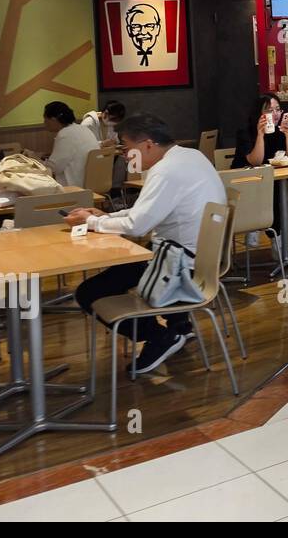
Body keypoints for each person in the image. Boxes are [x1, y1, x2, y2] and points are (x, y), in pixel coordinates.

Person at [68, 113, 226, 374]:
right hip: (199, 256)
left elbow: (138, 225)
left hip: (178, 263)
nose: (125, 156)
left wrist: (93, 223)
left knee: (87, 292)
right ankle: (180, 327)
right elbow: (146, 212)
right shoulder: (189, 156)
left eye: (127, 149)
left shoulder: (166, 171)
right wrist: (105, 216)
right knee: (136, 259)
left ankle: (160, 337)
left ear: (148, 145)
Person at [232, 92, 288, 169]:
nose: (276, 114)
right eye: (270, 111)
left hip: (273, 177)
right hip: (245, 177)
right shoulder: (245, 133)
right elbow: (255, 162)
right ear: (259, 113)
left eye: (278, 109)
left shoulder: (280, 131)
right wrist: (260, 135)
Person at [42, 101, 99, 188]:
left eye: (45, 119)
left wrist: (35, 159)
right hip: (93, 180)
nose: (44, 123)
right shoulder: (82, 129)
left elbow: (54, 168)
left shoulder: (65, 134)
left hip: (76, 185)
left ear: (53, 120)